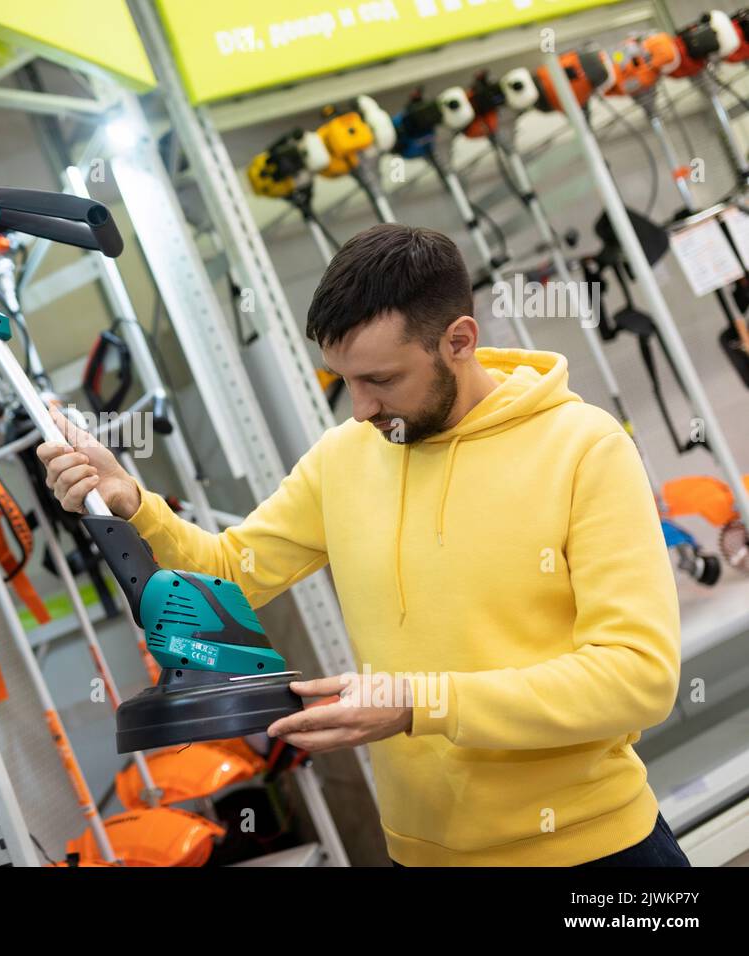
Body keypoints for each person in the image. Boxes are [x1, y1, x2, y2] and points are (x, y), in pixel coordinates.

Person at [37, 223, 688, 867]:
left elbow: (638, 677)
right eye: (344, 379)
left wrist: (418, 703)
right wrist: (131, 502)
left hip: (592, 852)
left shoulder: (582, 449)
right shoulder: (346, 456)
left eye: (380, 379)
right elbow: (230, 572)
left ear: (459, 341)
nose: (358, 408)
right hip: (422, 855)